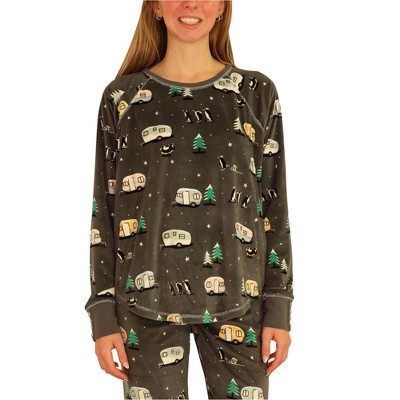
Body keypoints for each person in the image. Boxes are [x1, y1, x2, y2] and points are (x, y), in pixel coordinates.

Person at [85, 1, 294, 399]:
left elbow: (274, 205)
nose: (191, 3)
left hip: (241, 298)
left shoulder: (255, 93)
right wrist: (102, 313)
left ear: (222, 8)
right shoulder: (123, 97)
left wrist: (278, 305)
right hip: (143, 303)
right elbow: (105, 211)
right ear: (155, 7)